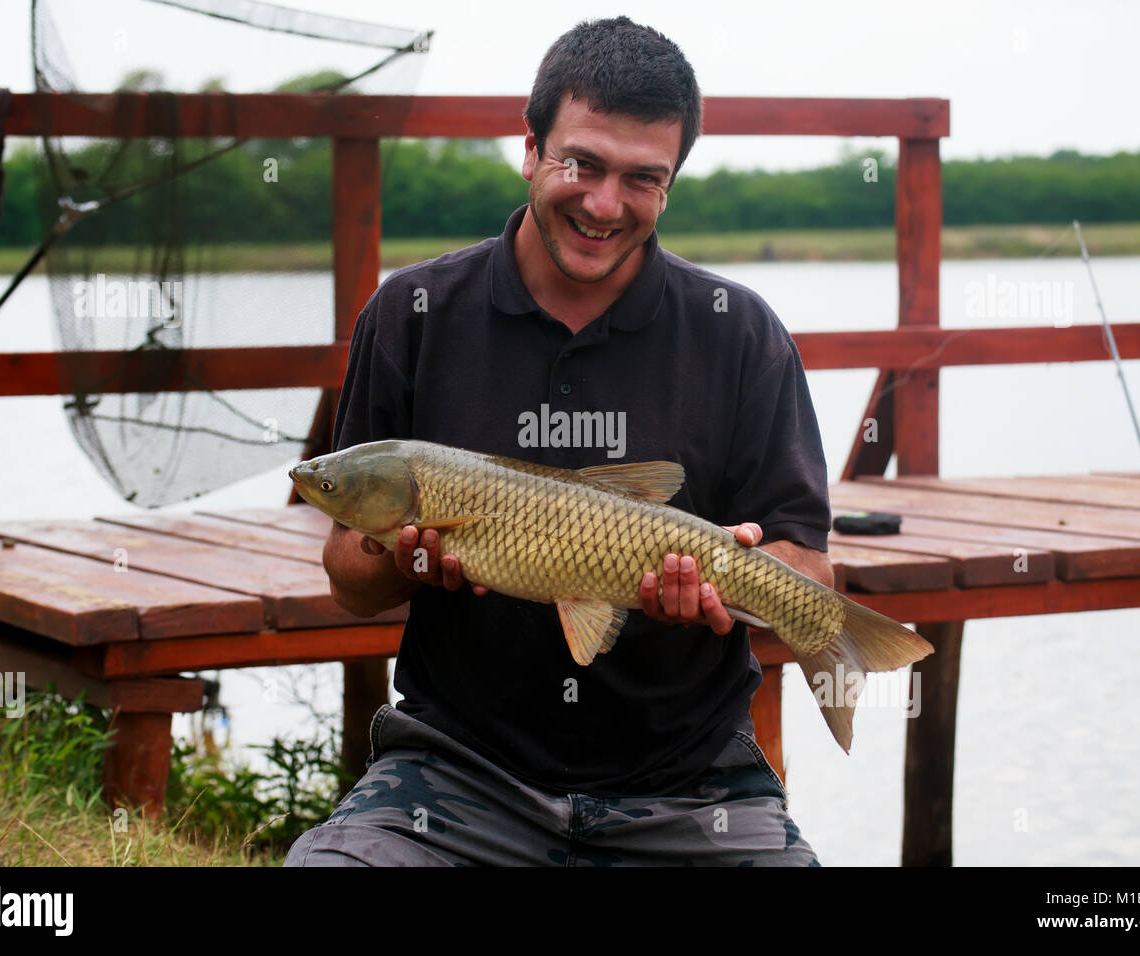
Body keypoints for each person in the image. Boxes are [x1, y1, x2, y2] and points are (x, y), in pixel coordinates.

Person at [284, 15, 833, 867]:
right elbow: (348, 583)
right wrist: (401, 557)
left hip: (690, 787)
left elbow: (808, 562)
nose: (605, 204)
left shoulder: (740, 334)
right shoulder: (413, 315)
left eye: (642, 178)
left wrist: (741, 581)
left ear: (671, 183)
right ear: (532, 148)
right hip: (457, 775)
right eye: (583, 163)